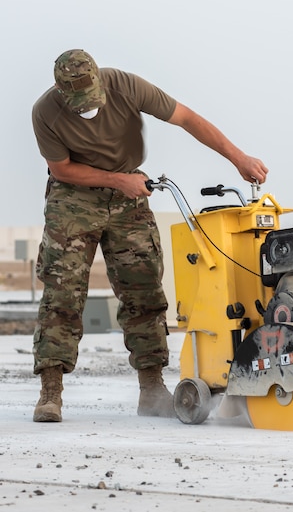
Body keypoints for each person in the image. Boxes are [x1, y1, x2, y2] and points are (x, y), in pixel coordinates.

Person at [30, 49, 269, 422]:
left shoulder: (126, 86)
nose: (87, 108)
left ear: (99, 81)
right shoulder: (45, 112)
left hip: (130, 193)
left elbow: (187, 119)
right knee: (62, 292)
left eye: (92, 100)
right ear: (61, 93)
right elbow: (62, 169)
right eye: (78, 105)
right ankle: (50, 392)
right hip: (74, 199)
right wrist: (116, 181)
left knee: (144, 290)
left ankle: (152, 387)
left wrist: (238, 158)